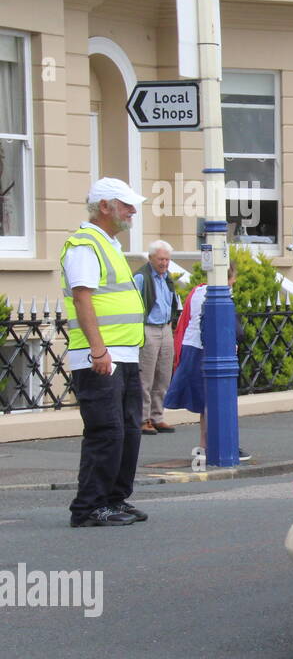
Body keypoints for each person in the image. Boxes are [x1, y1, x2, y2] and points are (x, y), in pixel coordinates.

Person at [62, 178, 149, 527]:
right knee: (106, 431)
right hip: (101, 356)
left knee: (128, 429)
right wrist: (99, 350)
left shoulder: (108, 243)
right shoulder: (85, 244)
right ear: (104, 207)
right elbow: (83, 298)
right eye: (126, 204)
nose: (133, 210)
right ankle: (89, 507)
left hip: (123, 354)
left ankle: (114, 499)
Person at [165, 261, 250, 461]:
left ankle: (205, 445)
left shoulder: (197, 292)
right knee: (216, 400)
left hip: (191, 349)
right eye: (232, 279)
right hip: (205, 351)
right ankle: (220, 445)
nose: (233, 283)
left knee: (206, 402)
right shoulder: (219, 295)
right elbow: (230, 329)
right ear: (225, 278)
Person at [133, 240, 178, 435]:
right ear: (151, 258)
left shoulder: (167, 278)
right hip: (148, 328)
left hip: (165, 327)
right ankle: (143, 419)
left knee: (163, 375)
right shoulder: (141, 277)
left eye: (167, 259)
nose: (164, 263)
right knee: (146, 376)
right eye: (161, 259)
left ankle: (157, 416)